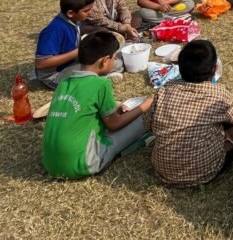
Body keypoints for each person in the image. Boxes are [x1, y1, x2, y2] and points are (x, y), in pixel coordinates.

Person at [42, 31, 153, 180]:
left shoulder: (64, 83)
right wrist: (145, 105)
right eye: (114, 58)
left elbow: (84, 106)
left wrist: (116, 105)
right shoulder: (101, 83)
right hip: (83, 163)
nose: (114, 62)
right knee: (146, 116)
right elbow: (114, 125)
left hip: (51, 165)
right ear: (105, 60)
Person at [146, 39, 233, 187]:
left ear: (180, 68)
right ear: (214, 70)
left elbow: (148, 124)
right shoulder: (218, 94)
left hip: (163, 171)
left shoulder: (164, 90)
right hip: (204, 172)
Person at [35, 0, 120, 89]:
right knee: (112, 65)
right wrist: (78, 51)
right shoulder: (54, 30)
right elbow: (41, 64)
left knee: (115, 62)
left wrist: (96, 31)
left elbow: (77, 30)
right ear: (71, 13)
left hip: (72, 63)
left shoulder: (73, 20)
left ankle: (96, 78)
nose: (90, 12)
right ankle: (96, 81)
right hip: (55, 76)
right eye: (86, 11)